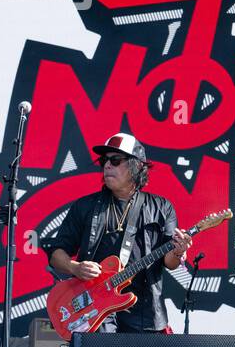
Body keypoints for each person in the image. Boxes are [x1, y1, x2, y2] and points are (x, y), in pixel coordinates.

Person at [41, 133, 191, 333]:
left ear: (137, 166)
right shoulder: (85, 206)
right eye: (105, 160)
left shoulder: (162, 207)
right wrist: (75, 267)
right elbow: (56, 253)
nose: (107, 166)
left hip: (145, 311)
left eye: (116, 160)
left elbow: (170, 263)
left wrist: (179, 251)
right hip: (95, 311)